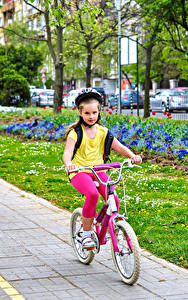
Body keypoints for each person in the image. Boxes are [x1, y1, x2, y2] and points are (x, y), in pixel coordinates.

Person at [63, 88, 142, 250]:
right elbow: (67, 153)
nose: (91, 117)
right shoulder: (75, 133)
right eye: (87, 113)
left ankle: (105, 232)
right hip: (80, 171)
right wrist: (69, 164)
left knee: (115, 201)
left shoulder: (103, 132)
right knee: (92, 194)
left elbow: (119, 147)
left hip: (99, 171)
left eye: (94, 113)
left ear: (99, 112)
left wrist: (132, 156)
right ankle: (86, 234)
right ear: (80, 113)